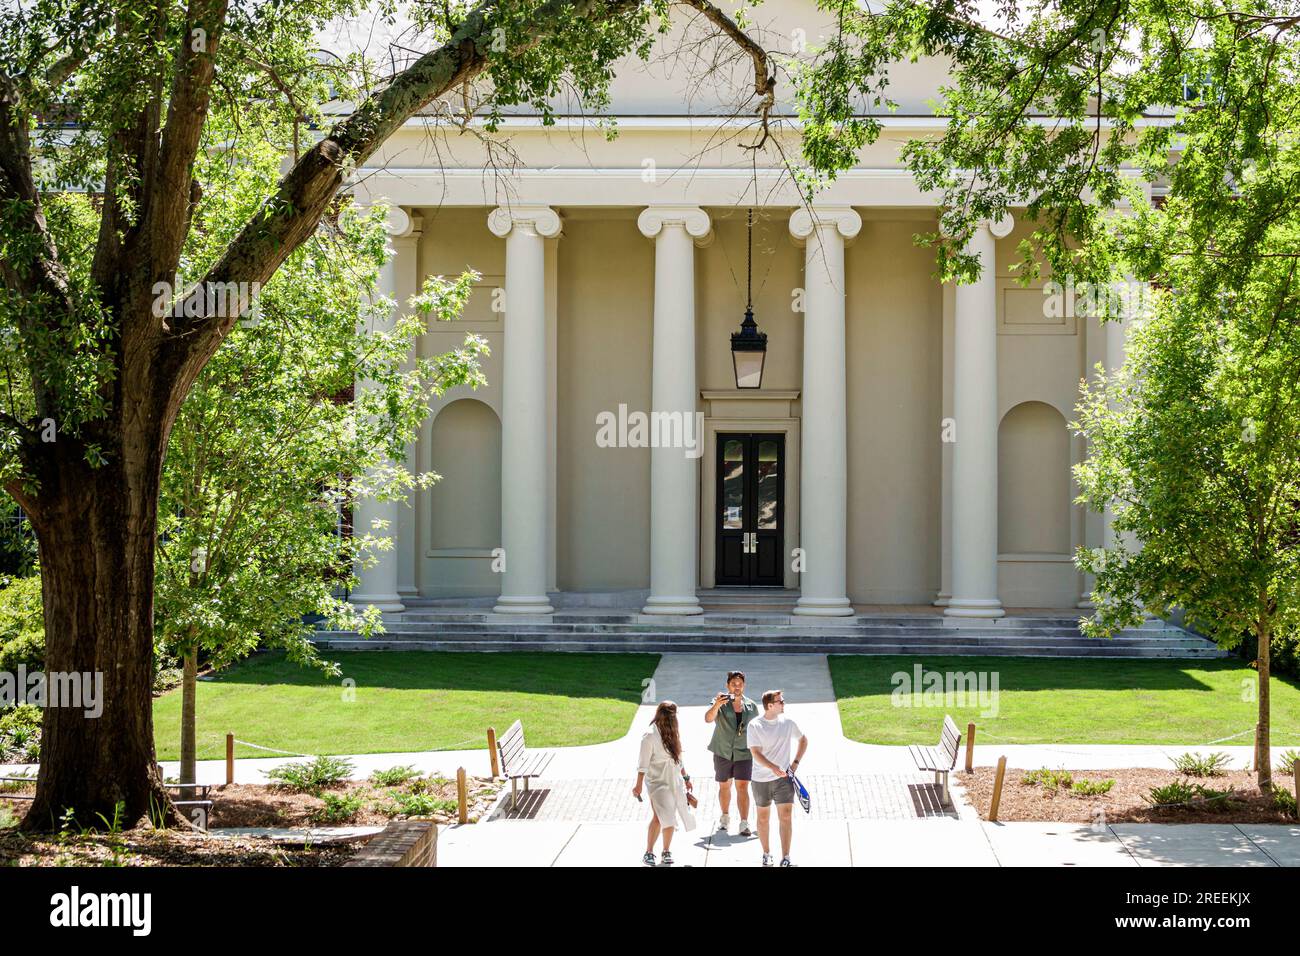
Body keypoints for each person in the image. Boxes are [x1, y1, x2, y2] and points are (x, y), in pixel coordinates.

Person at [746, 689, 807, 867]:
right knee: (763, 818)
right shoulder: (755, 725)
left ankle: (786, 857)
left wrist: (795, 763)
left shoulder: (788, 723)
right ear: (770, 705)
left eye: (783, 700)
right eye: (780, 701)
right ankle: (766, 853)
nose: (783, 703)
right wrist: (773, 768)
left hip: (784, 780)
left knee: (786, 816)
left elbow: (803, 740)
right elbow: (755, 753)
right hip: (760, 780)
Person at [632, 700, 696, 865]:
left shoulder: (673, 732)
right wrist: (638, 785)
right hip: (657, 782)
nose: (673, 719)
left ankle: (666, 850)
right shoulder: (649, 736)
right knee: (662, 817)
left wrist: (686, 778)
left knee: (667, 816)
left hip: (674, 780)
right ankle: (649, 852)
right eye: (671, 715)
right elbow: (642, 764)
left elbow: (678, 758)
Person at [704, 669, 759, 836]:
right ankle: (725, 817)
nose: (737, 687)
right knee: (725, 785)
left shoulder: (751, 706)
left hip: (744, 752)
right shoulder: (718, 702)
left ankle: (744, 822)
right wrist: (717, 705)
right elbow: (708, 718)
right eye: (733, 684)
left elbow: (757, 729)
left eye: (740, 684)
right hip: (723, 750)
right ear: (727, 685)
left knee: (743, 786)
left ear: (744, 686)